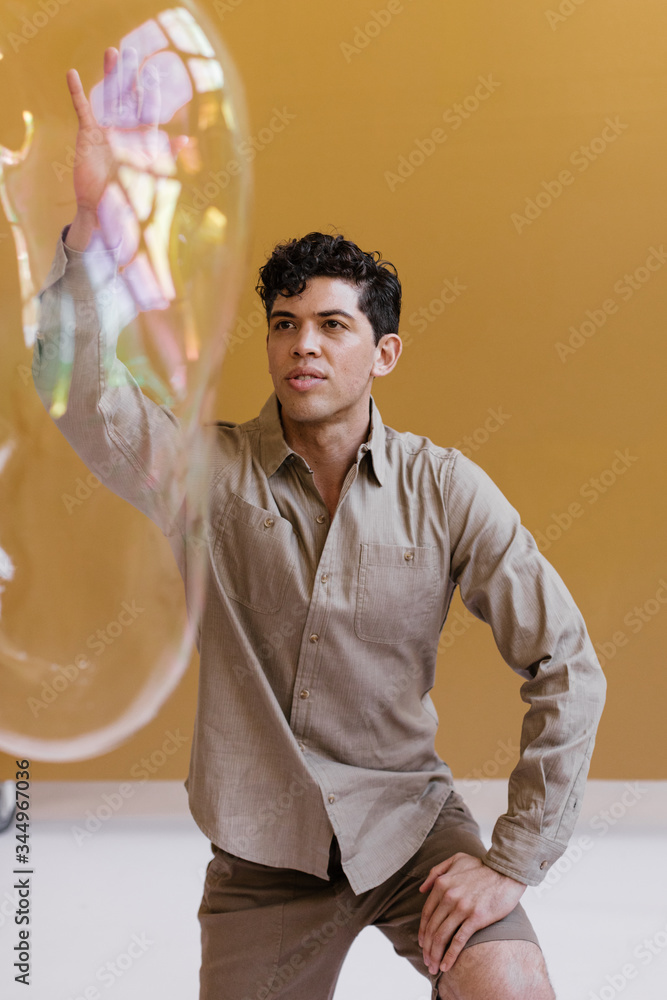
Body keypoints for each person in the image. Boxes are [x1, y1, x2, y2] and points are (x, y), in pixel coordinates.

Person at [32, 48, 606, 1000]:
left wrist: (512, 857)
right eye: (285, 323)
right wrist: (92, 231)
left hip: (406, 829)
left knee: (514, 988)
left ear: (382, 352)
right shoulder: (206, 474)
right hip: (263, 856)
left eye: (332, 326)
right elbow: (85, 399)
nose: (304, 343)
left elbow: (566, 663)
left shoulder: (447, 487)